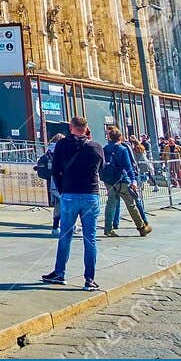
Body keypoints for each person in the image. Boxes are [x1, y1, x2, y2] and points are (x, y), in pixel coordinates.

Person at [43, 115, 103, 291]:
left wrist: (62, 190)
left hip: (69, 193)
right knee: (90, 237)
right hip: (91, 193)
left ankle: (60, 273)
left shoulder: (62, 145)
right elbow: (102, 168)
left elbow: (55, 170)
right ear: (86, 129)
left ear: (71, 127)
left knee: (65, 235)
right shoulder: (96, 146)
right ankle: (89, 279)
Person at [101, 126, 151, 237]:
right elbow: (128, 167)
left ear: (109, 137)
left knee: (110, 204)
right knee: (131, 204)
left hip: (109, 180)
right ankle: (141, 227)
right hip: (122, 179)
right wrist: (133, 180)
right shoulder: (122, 149)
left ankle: (108, 229)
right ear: (120, 137)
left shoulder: (105, 149)